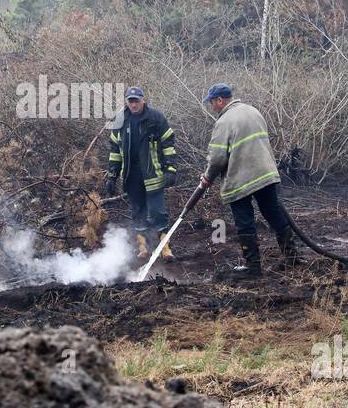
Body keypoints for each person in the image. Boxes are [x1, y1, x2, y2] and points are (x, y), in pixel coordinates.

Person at [198, 84, 297, 277]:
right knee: (273, 213)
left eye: (212, 102)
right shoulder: (253, 111)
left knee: (244, 221)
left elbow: (217, 158)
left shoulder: (224, 121)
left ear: (220, 100)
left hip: (241, 178)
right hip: (265, 174)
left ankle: (253, 266)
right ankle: (292, 256)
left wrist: (208, 177)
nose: (212, 107)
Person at [105, 86, 178, 259]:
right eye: (130, 101)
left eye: (136, 100)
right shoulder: (120, 121)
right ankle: (143, 248)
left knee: (158, 212)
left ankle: (166, 250)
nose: (133, 104)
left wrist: (171, 169)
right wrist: (112, 176)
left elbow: (168, 144)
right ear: (126, 102)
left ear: (143, 100)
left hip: (153, 175)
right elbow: (115, 151)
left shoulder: (155, 118)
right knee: (138, 212)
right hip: (132, 177)